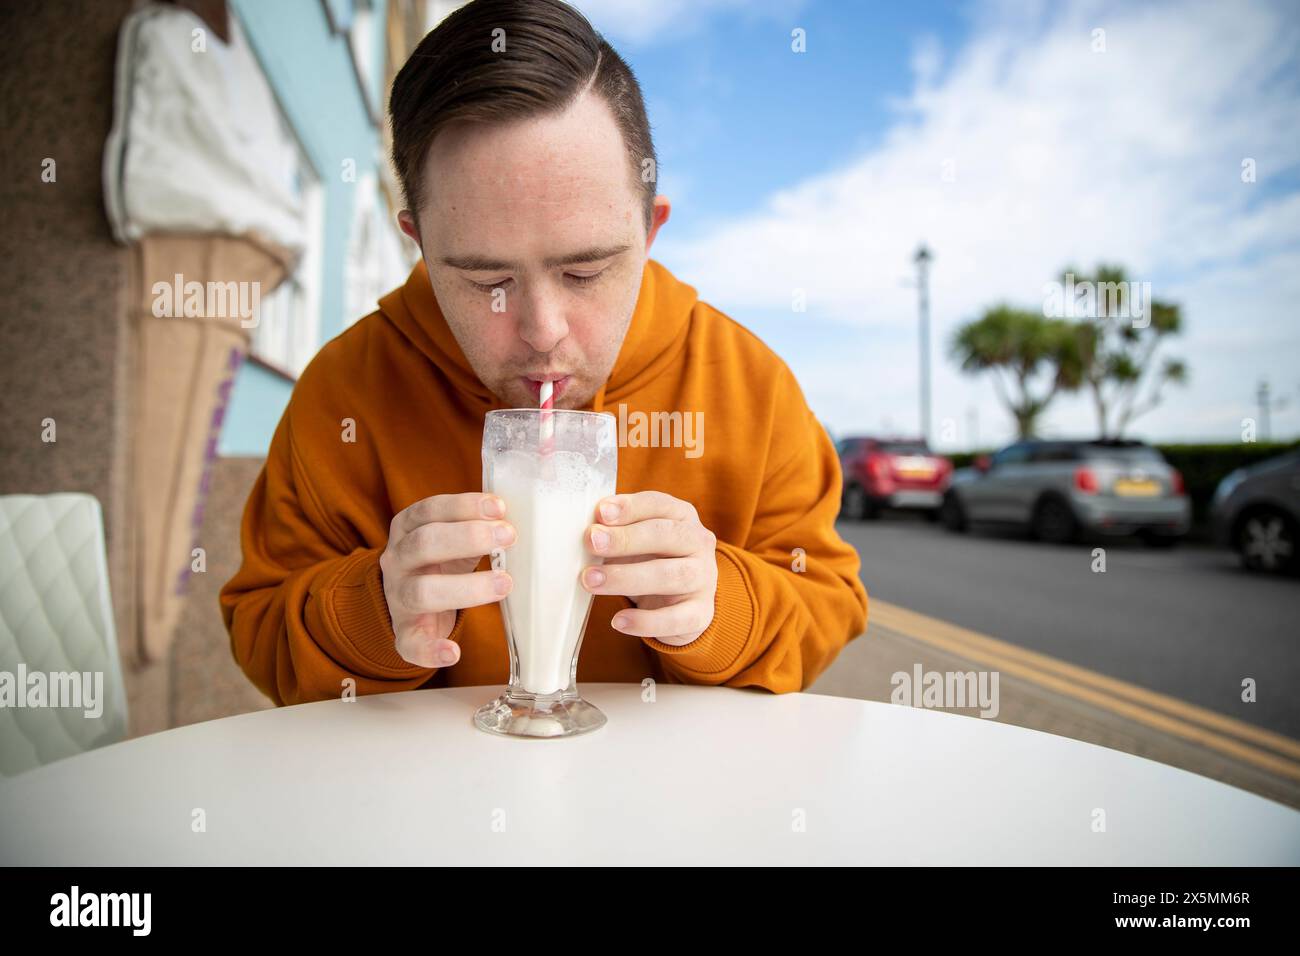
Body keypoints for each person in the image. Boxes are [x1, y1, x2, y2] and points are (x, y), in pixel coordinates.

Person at [219, 0, 868, 706]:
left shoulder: (751, 387)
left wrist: (722, 606)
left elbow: (828, 605)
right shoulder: (344, 392)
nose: (543, 330)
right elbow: (260, 631)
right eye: (486, 280)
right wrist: (370, 611)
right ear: (421, 247)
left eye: (585, 273)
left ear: (650, 232)